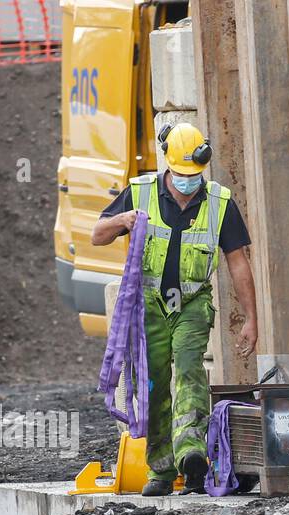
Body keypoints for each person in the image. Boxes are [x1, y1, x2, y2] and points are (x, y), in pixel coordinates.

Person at [92, 122, 259, 495]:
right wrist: (122, 220)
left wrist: (251, 318)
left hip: (191, 303)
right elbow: (97, 235)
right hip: (148, 305)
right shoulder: (140, 193)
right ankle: (163, 471)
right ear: (167, 164)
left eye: (194, 175)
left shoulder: (219, 202)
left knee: (188, 370)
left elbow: (237, 262)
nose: (188, 182)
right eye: (181, 174)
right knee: (153, 385)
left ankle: (192, 457)